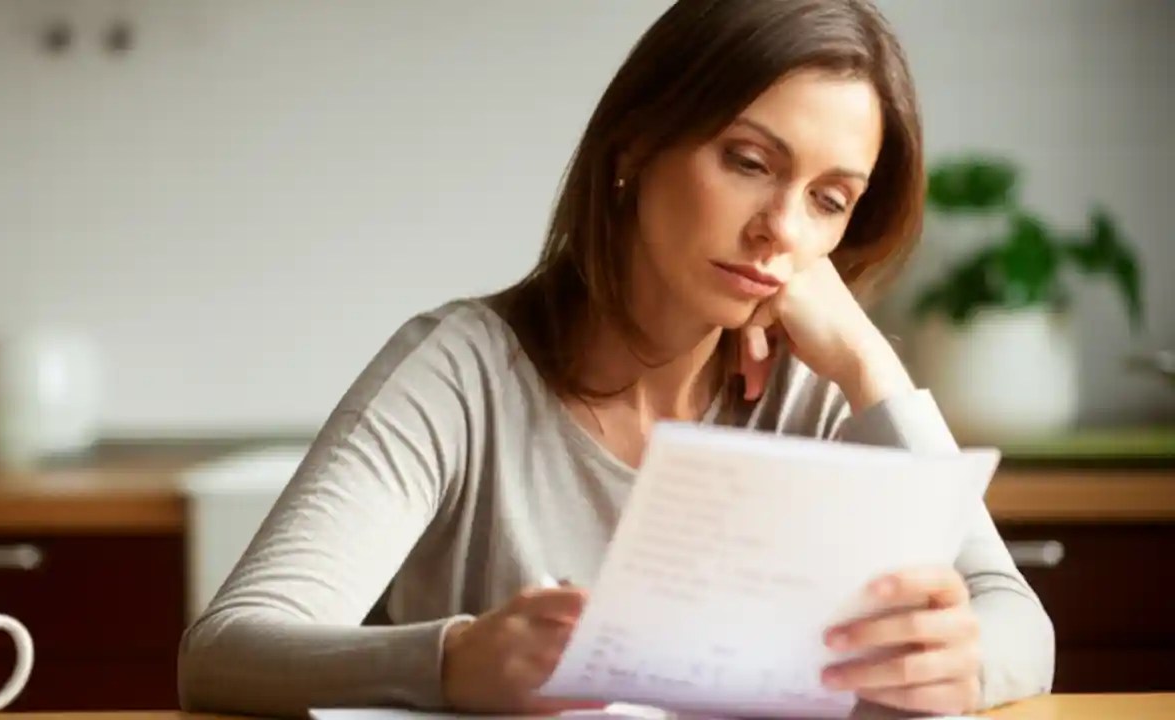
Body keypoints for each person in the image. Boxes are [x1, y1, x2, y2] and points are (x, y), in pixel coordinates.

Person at [177, 0, 1055, 717]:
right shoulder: (462, 374)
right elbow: (222, 651)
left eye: (829, 200)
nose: (782, 230)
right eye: (749, 161)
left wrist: (867, 361)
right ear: (636, 145)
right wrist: (454, 660)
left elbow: (1020, 625)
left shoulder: (820, 392)